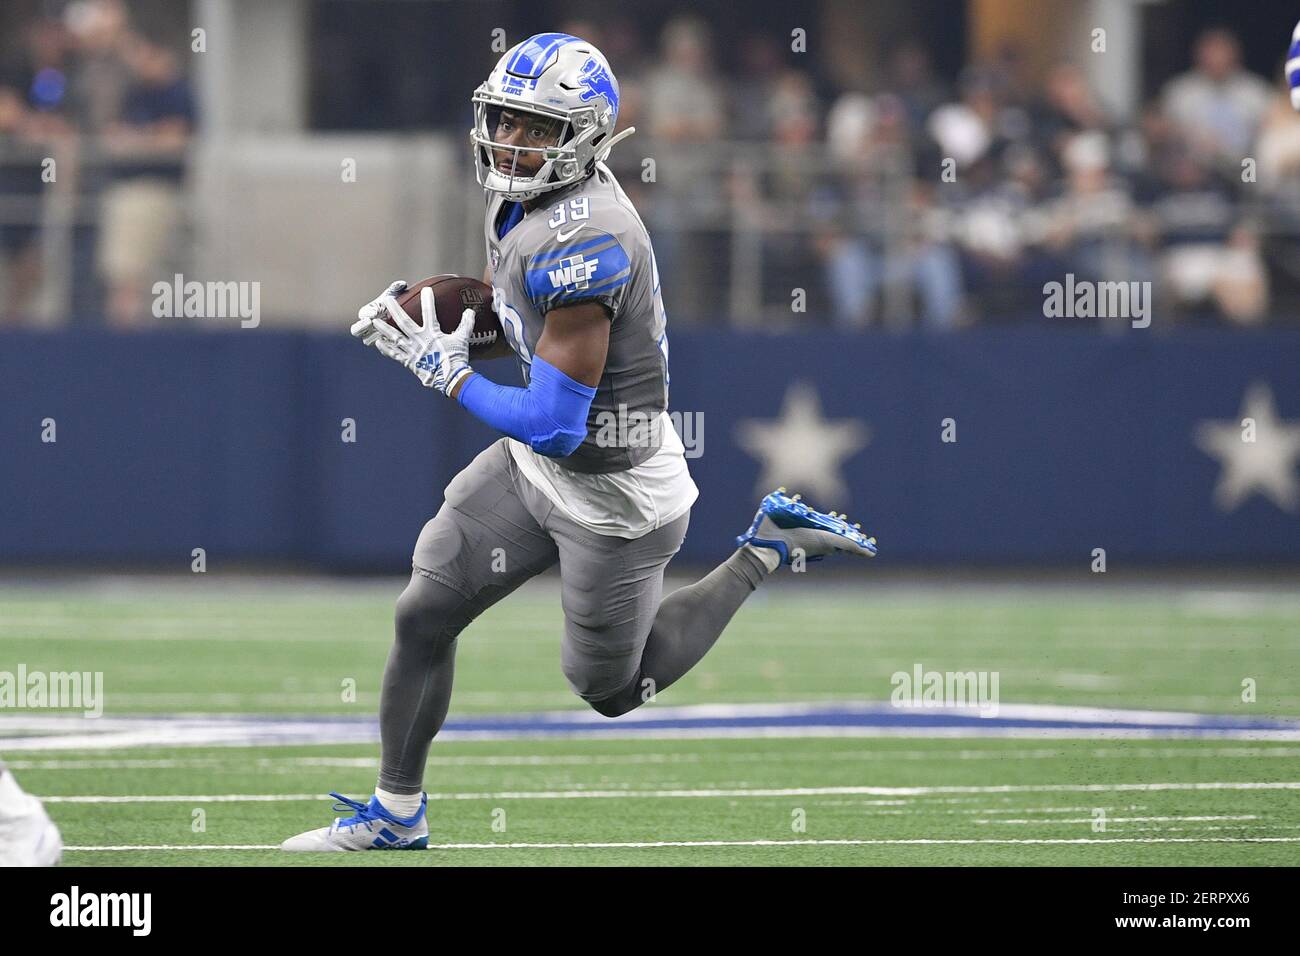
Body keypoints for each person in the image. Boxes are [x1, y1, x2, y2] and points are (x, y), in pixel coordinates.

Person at [280, 33, 876, 851]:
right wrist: (452, 322)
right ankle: (396, 814)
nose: (513, 143)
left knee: (612, 688)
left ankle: (764, 549)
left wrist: (445, 372)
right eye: (507, 121)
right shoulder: (520, 201)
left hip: (611, 489)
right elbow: (523, 326)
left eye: (535, 129)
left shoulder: (590, 240)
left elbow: (557, 421)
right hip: (537, 468)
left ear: (587, 136)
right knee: (423, 612)